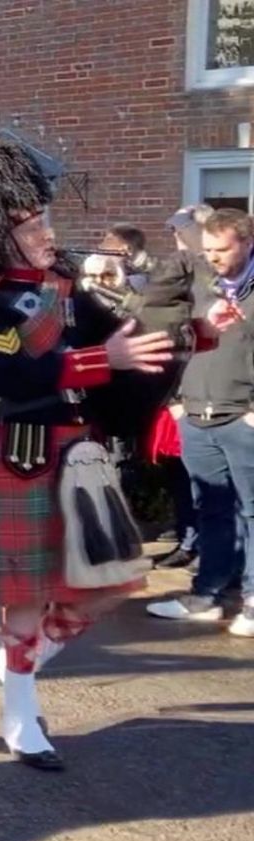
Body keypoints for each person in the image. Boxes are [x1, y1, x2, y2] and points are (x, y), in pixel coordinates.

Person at [0, 138, 177, 770]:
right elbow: (14, 374)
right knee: (27, 591)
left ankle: (19, 660)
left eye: (46, 219)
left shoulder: (66, 286)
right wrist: (108, 360)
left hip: (82, 453)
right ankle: (20, 712)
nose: (47, 231)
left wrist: (193, 336)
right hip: (23, 450)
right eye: (33, 224)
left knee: (112, 584)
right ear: (4, 235)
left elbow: (129, 343)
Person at [146, 208, 254, 637]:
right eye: (206, 250)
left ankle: (251, 600)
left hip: (241, 416)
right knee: (211, 508)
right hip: (196, 413)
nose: (213, 257)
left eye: (222, 250)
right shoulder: (201, 286)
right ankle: (207, 595)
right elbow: (172, 335)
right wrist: (177, 400)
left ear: (246, 243)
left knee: (253, 511)